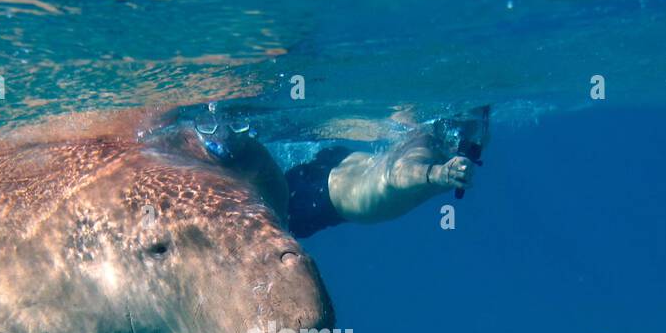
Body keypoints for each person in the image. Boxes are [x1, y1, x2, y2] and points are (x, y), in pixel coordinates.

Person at [190, 107, 488, 239]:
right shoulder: (434, 150)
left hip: (319, 196)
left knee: (236, 213)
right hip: (322, 189)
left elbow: (395, 174)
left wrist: (440, 172)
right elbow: (397, 173)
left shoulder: (453, 145)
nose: (473, 130)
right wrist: (437, 174)